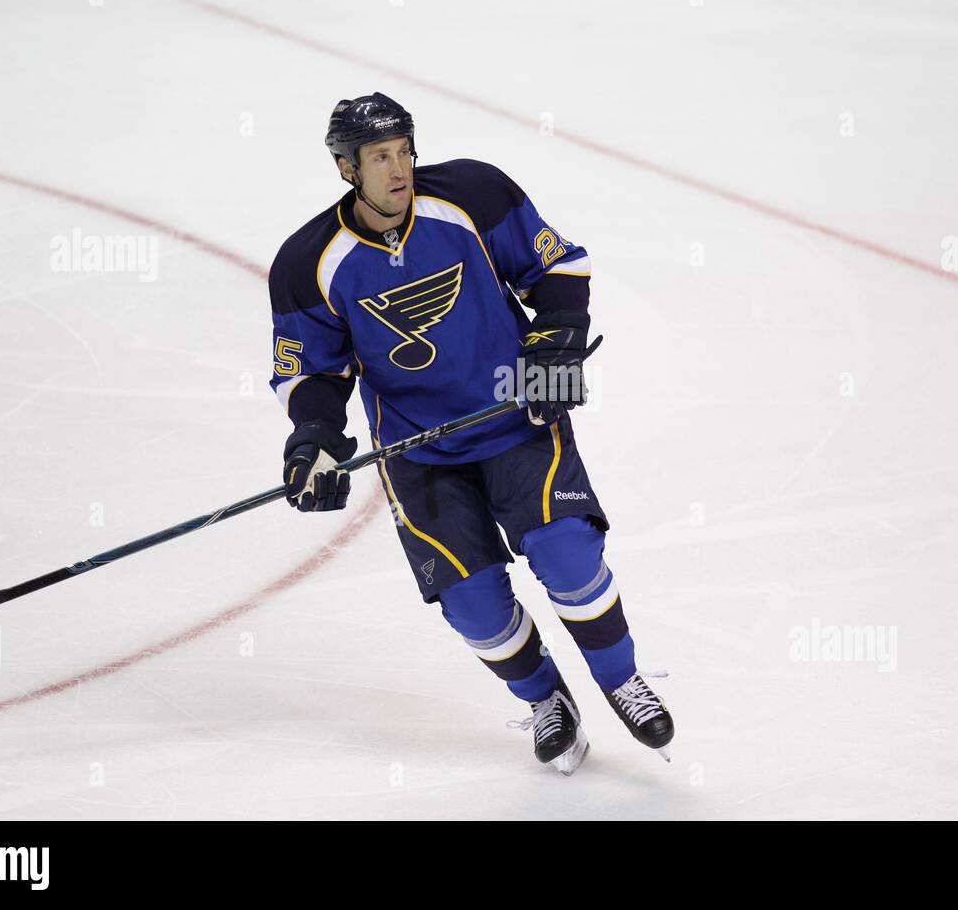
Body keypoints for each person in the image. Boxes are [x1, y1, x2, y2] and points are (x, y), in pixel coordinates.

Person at [267, 92, 673, 775]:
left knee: (567, 554)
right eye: (379, 158)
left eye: (404, 151)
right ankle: (547, 700)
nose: (398, 170)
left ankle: (620, 679)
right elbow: (314, 372)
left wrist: (554, 344)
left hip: (517, 416)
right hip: (418, 454)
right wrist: (312, 441)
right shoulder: (307, 262)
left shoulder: (472, 195)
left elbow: (558, 267)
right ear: (346, 168)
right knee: (475, 607)